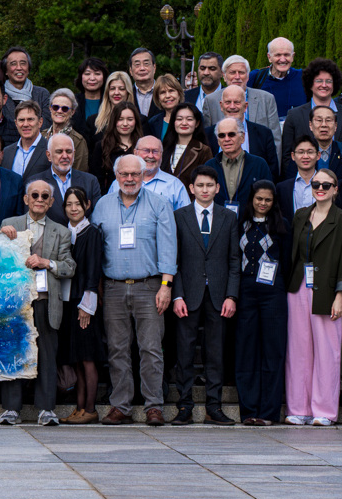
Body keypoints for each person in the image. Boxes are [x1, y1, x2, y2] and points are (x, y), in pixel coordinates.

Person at [92, 156, 175, 426]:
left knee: (151, 348)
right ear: (116, 175)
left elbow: (168, 246)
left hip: (149, 286)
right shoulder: (102, 206)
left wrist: (166, 286)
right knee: (117, 349)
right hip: (114, 288)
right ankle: (121, 406)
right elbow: (96, 250)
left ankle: (154, 406)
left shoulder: (159, 204)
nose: (130, 179)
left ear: (144, 174)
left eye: (135, 174)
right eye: (124, 174)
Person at [0, 179, 76, 426]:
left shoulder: (61, 231)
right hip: (15, 302)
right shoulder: (8, 225)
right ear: (26, 199)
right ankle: (11, 409)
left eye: (45, 196)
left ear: (52, 202)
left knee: (47, 354)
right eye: (35, 195)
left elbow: (69, 267)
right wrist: (1, 238)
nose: (40, 200)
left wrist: (47, 263)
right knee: (14, 353)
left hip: (45, 301)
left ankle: (46, 410)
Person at [170, 166, 239, 425]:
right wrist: (176, 295)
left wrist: (232, 295)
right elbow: (172, 260)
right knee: (185, 352)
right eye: (200, 185)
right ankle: (185, 406)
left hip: (219, 295)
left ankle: (214, 406)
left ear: (217, 188)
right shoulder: (179, 217)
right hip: (187, 294)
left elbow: (234, 260)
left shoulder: (228, 217)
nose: (205, 190)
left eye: (210, 185)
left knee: (215, 352)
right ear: (191, 188)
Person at [286, 166, 342, 426]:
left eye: (326, 185)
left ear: (336, 189)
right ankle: (298, 407)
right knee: (298, 349)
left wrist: (340, 295)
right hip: (299, 286)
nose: (320, 189)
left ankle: (324, 410)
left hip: (327, 290)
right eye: (316, 185)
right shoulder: (301, 215)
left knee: (327, 350)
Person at [232, 181, 289, 425]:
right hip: (245, 292)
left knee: (272, 352)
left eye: (267, 200)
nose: (263, 204)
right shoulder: (239, 225)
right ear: (252, 200)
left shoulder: (282, 226)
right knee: (246, 352)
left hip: (273, 294)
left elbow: (287, 261)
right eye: (259, 199)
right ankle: (249, 411)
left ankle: (268, 412)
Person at [59, 186, 104, 424]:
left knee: (88, 357)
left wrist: (87, 305)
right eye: (69, 204)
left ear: (87, 205)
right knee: (75, 357)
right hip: (67, 301)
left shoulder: (92, 233)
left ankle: (90, 409)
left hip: (84, 303)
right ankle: (78, 408)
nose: (73, 208)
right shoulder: (64, 233)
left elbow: (93, 270)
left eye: (78, 204)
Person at [278, 58, 342, 161]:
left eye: (328, 81)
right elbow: (287, 156)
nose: (324, 85)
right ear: (310, 83)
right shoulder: (294, 116)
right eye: (319, 81)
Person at [210, 117, 263, 210]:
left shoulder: (259, 165)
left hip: (250, 222)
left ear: (242, 137)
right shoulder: (209, 167)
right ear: (218, 141)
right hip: (218, 223)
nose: (226, 139)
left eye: (231, 134)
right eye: (221, 135)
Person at [161, 103, 213, 189]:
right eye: (179, 119)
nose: (184, 123)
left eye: (189, 119)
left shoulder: (203, 150)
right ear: (173, 122)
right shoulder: (164, 148)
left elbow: (206, 182)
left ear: (197, 123)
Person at [255, 36, 306, 110]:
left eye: (286, 55)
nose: (282, 60)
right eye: (278, 55)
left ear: (292, 56)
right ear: (269, 57)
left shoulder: (303, 77)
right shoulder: (256, 77)